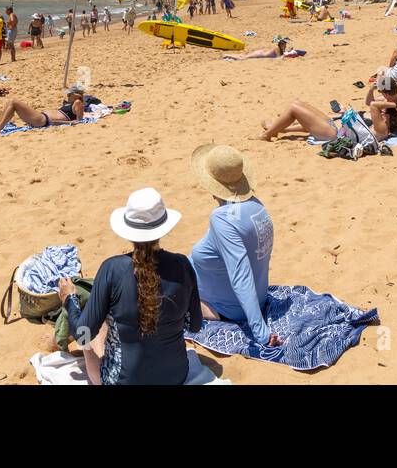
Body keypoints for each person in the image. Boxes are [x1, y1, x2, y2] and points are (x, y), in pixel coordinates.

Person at [57, 188, 201, 385]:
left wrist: (70, 299)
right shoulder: (183, 265)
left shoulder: (112, 269)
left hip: (123, 381)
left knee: (96, 326)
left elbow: (83, 335)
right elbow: (195, 325)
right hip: (176, 376)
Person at [185, 145, 280, 347]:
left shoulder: (222, 219)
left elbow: (241, 274)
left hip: (229, 307)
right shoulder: (256, 205)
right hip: (259, 295)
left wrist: (260, 332)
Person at [0, 85, 86, 133]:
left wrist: (68, 123)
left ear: (76, 95)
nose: (67, 96)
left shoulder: (78, 102)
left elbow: (78, 121)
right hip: (42, 118)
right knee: (10, 102)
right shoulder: (69, 103)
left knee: (14, 102)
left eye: (69, 94)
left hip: (44, 120)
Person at [365, 73, 397, 141]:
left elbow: (372, 104)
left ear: (386, 94)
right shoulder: (390, 97)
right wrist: (371, 90)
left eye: (381, 92)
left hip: (385, 130)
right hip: (383, 125)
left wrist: (394, 105)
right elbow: (368, 102)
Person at [222, 36, 290, 60]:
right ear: (280, 44)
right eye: (284, 44)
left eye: (285, 44)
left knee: (244, 56)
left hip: (261, 52)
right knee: (243, 58)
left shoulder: (280, 49)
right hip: (259, 54)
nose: (285, 45)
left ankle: (229, 56)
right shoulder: (277, 49)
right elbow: (278, 58)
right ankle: (227, 55)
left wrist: (288, 52)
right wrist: (286, 55)